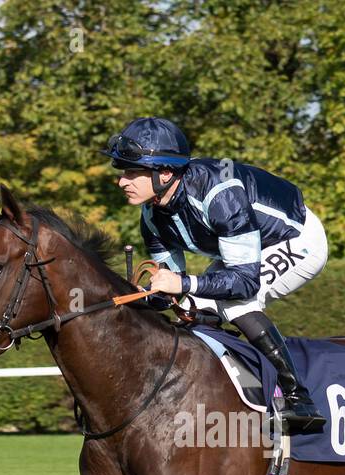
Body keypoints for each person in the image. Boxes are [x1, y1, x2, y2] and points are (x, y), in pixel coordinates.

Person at [101, 117, 329, 435]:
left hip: (297, 240)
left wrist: (181, 284)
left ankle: (299, 399)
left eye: (132, 172)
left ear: (164, 173)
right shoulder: (151, 215)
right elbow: (172, 285)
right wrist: (146, 294)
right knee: (195, 311)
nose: (122, 181)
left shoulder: (220, 195)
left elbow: (243, 282)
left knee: (237, 303)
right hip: (246, 253)